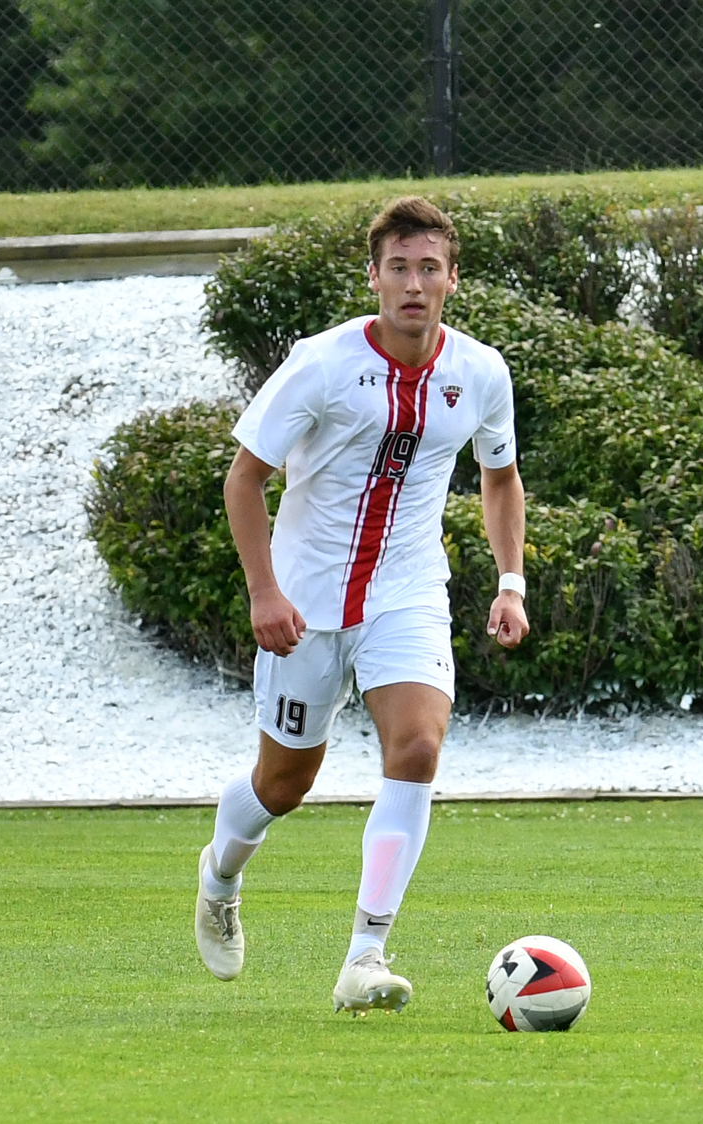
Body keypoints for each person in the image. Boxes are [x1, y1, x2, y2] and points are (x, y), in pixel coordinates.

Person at [195, 196, 529, 1014]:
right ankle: (219, 875)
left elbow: (500, 479)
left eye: (429, 268)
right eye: (398, 267)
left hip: (406, 592)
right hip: (305, 602)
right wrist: (264, 591)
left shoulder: (481, 372)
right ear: (373, 275)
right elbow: (244, 477)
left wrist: (510, 580)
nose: (413, 284)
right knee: (282, 784)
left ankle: (365, 957)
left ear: (452, 279)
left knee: (416, 747)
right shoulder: (321, 362)